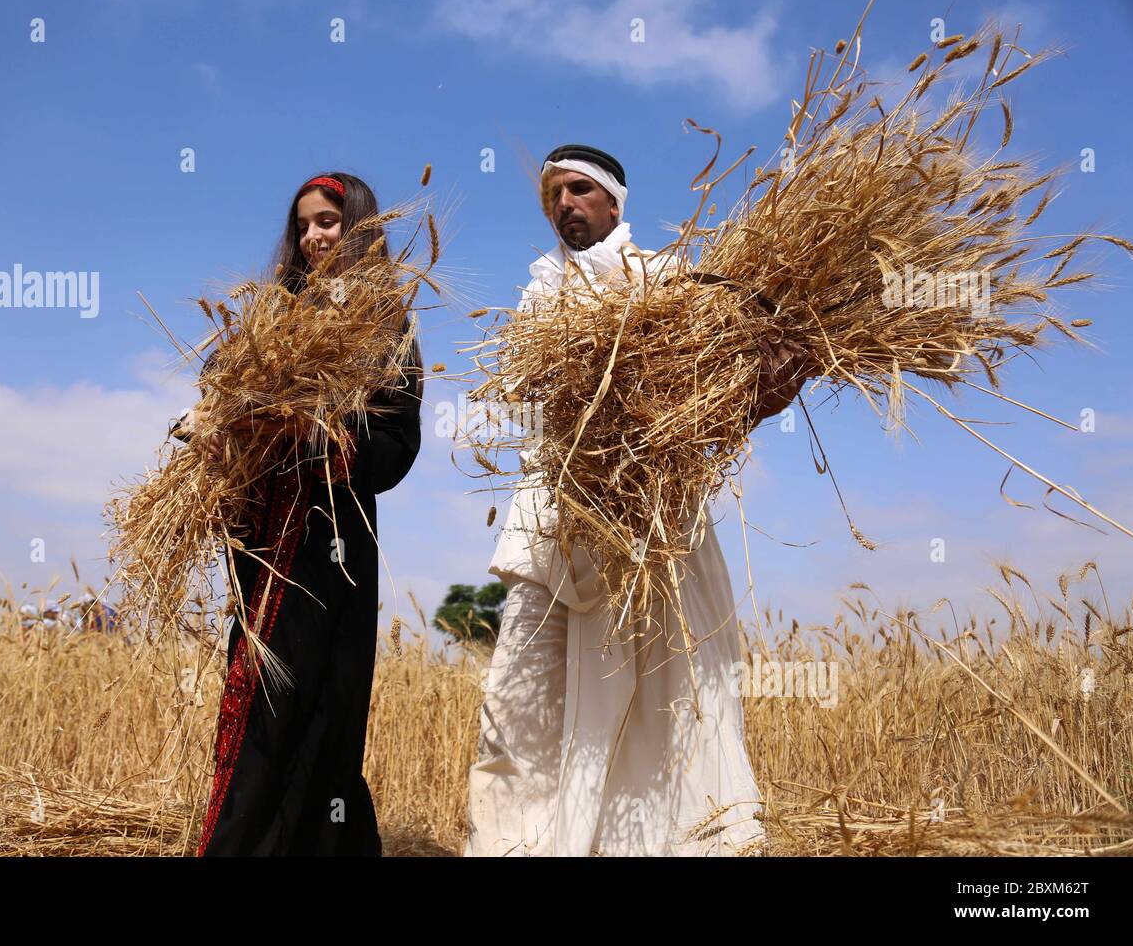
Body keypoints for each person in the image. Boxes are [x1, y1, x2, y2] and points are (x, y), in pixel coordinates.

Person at [464, 144, 808, 857]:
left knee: (663, 701)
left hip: (649, 520)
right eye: (555, 193)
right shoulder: (537, 298)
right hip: (552, 519)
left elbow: (713, 409)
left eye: (580, 190)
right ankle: (517, 847)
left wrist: (767, 389)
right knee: (518, 701)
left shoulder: (668, 281)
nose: (565, 204)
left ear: (615, 203)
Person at [192, 172, 423, 856]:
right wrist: (220, 422)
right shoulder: (271, 316)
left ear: (358, 227)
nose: (316, 235)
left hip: (332, 550)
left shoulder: (386, 325)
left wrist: (324, 433)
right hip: (264, 543)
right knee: (259, 697)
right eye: (305, 225)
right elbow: (223, 388)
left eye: (329, 221)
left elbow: (397, 444)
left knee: (323, 701)